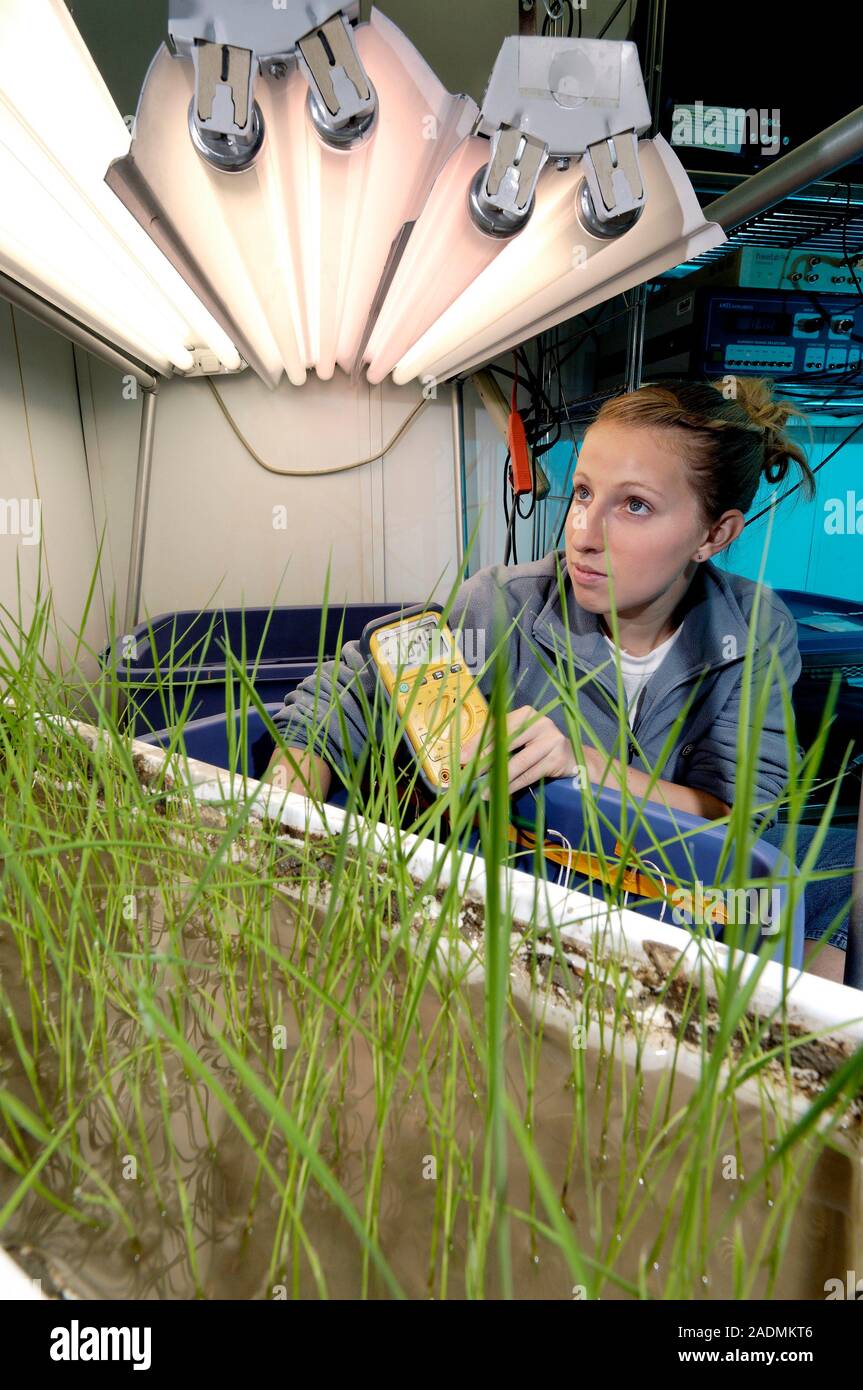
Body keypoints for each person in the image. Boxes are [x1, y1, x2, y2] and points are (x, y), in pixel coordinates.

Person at [266, 377, 854, 983]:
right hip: (544, 900)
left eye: (635, 505)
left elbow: (740, 816)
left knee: (833, 876)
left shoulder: (754, 629)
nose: (582, 533)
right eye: (582, 493)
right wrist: (272, 826)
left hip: (673, 898)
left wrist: (581, 765)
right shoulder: (500, 604)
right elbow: (351, 693)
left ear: (714, 535)